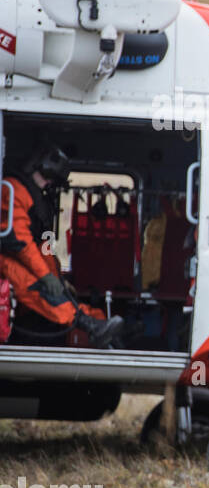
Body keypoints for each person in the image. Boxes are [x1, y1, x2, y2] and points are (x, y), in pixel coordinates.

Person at [0, 145, 122, 347]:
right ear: (35, 167)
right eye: (47, 176)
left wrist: (56, 278)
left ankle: (99, 323)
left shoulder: (33, 195)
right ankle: (86, 324)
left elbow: (41, 245)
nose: (48, 183)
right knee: (31, 283)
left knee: (54, 288)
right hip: (7, 258)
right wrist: (45, 277)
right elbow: (20, 241)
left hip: (18, 255)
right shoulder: (12, 190)